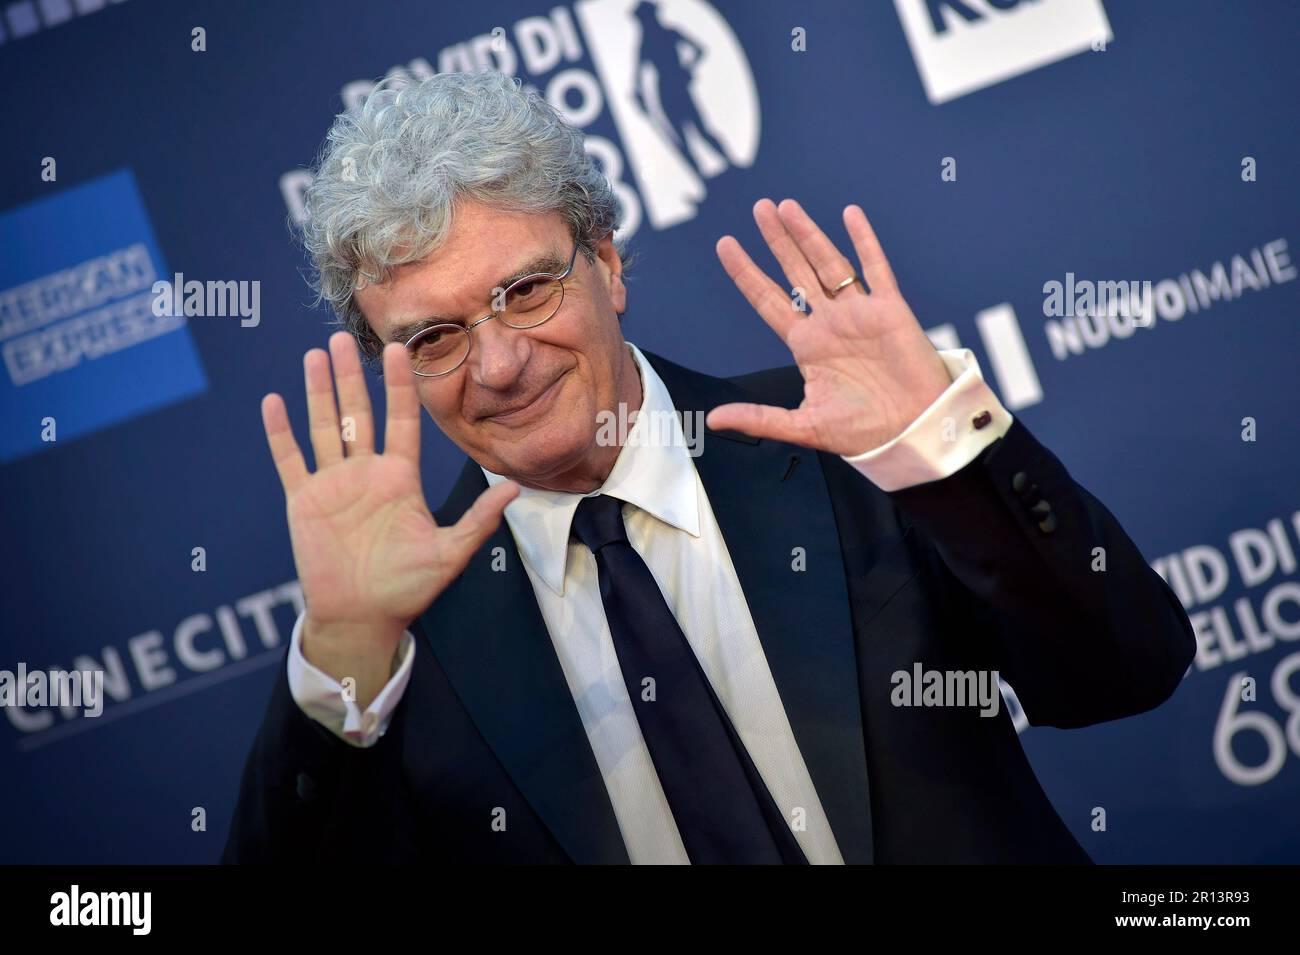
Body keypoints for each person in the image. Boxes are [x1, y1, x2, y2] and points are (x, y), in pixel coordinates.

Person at [222, 71, 1194, 864]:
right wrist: (346, 650)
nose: (499, 363)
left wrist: (940, 449)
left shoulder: (842, 446)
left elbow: (1124, 671)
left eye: (525, 290)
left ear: (605, 260)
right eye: (435, 335)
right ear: (394, 365)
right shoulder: (395, 644)